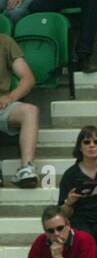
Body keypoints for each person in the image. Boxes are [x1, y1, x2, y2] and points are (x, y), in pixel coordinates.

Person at [0, 20, 42, 187]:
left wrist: (11, 97)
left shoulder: (5, 41)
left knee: (30, 111)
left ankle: (26, 169)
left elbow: (28, 78)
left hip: (2, 104)